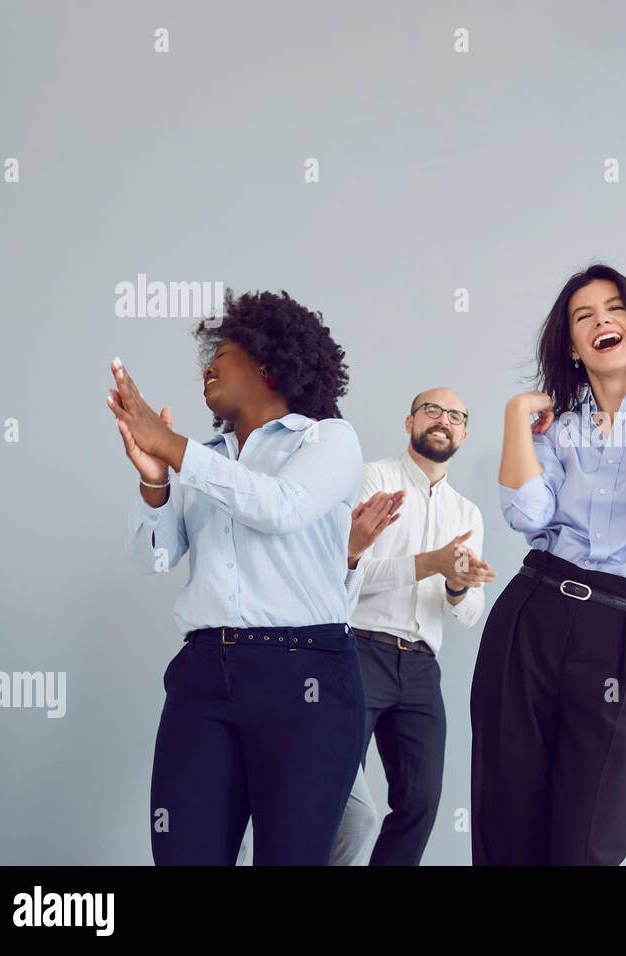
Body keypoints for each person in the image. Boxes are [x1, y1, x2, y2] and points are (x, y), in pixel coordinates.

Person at [111, 289, 396, 865]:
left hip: (305, 677)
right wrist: (156, 480)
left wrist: (172, 446)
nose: (207, 368)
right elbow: (154, 558)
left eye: (223, 353)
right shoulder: (204, 460)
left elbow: (278, 506)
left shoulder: (328, 440)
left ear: (269, 363)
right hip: (203, 675)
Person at [470, 263, 626, 865]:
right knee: (505, 826)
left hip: (622, 629)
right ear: (573, 347)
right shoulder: (555, 427)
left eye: (614, 309)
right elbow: (526, 514)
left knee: (590, 839)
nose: (600, 321)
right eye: (583, 317)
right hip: (533, 614)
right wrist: (515, 417)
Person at [331, 387, 496, 866]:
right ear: (410, 422)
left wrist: (457, 584)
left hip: (422, 668)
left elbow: (467, 614)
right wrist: (431, 563)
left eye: (456, 416)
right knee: (337, 795)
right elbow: (347, 573)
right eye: (432, 410)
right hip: (361, 651)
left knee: (421, 802)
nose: (443, 420)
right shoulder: (373, 479)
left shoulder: (467, 513)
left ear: (463, 434)